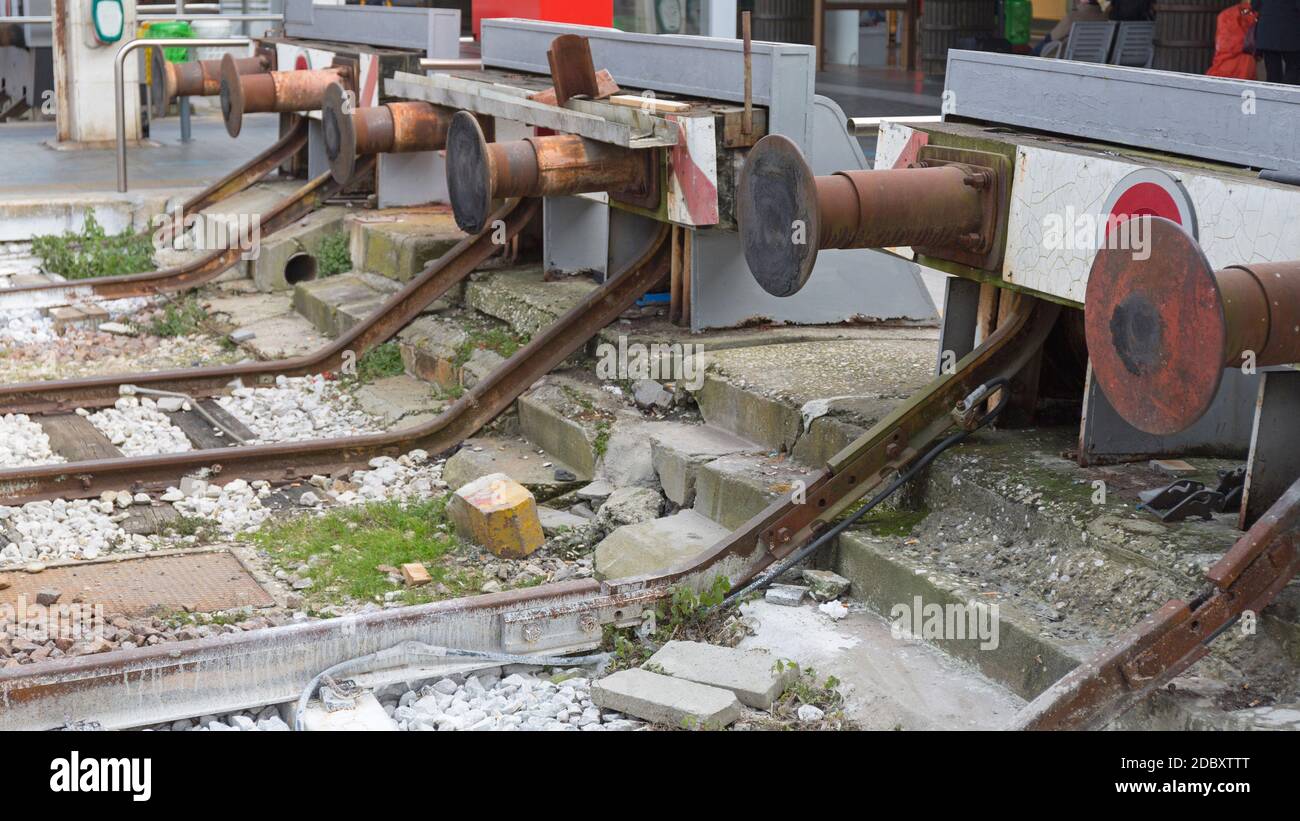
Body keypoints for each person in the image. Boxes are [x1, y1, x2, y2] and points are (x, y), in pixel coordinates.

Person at [1034, 0, 1108, 56]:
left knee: (1038, 49)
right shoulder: (1105, 19)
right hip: (1095, 56)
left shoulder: (1074, 16)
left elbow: (1052, 37)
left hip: (1070, 56)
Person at [1208, 1, 1260, 79]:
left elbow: (1226, 44)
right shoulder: (1256, 15)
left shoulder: (1228, 14)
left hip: (1227, 66)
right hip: (1246, 64)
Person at [1252, 0, 1300, 83]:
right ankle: (1285, 93)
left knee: (1272, 73)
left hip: (1267, 31)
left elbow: (1255, 5)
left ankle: (1274, 94)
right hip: (1290, 30)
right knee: (1295, 68)